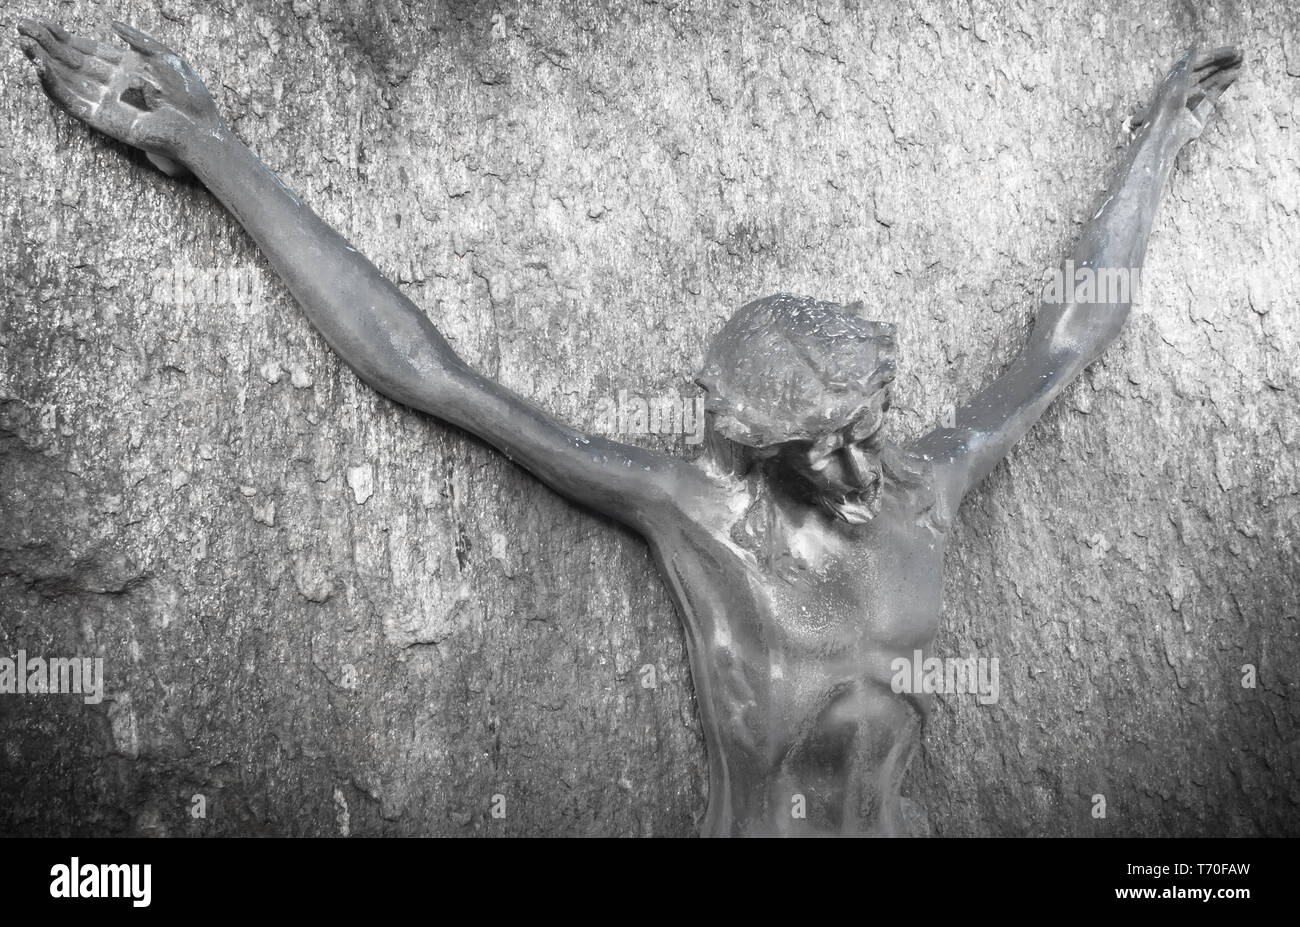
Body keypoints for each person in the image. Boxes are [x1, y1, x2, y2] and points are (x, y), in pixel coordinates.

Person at [17, 18, 1241, 836]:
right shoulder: (692, 512)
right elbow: (429, 372)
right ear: (750, 446)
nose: (866, 466)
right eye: (826, 445)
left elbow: (1071, 338)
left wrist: (1159, 141)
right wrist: (202, 145)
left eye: (872, 426)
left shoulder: (924, 481)